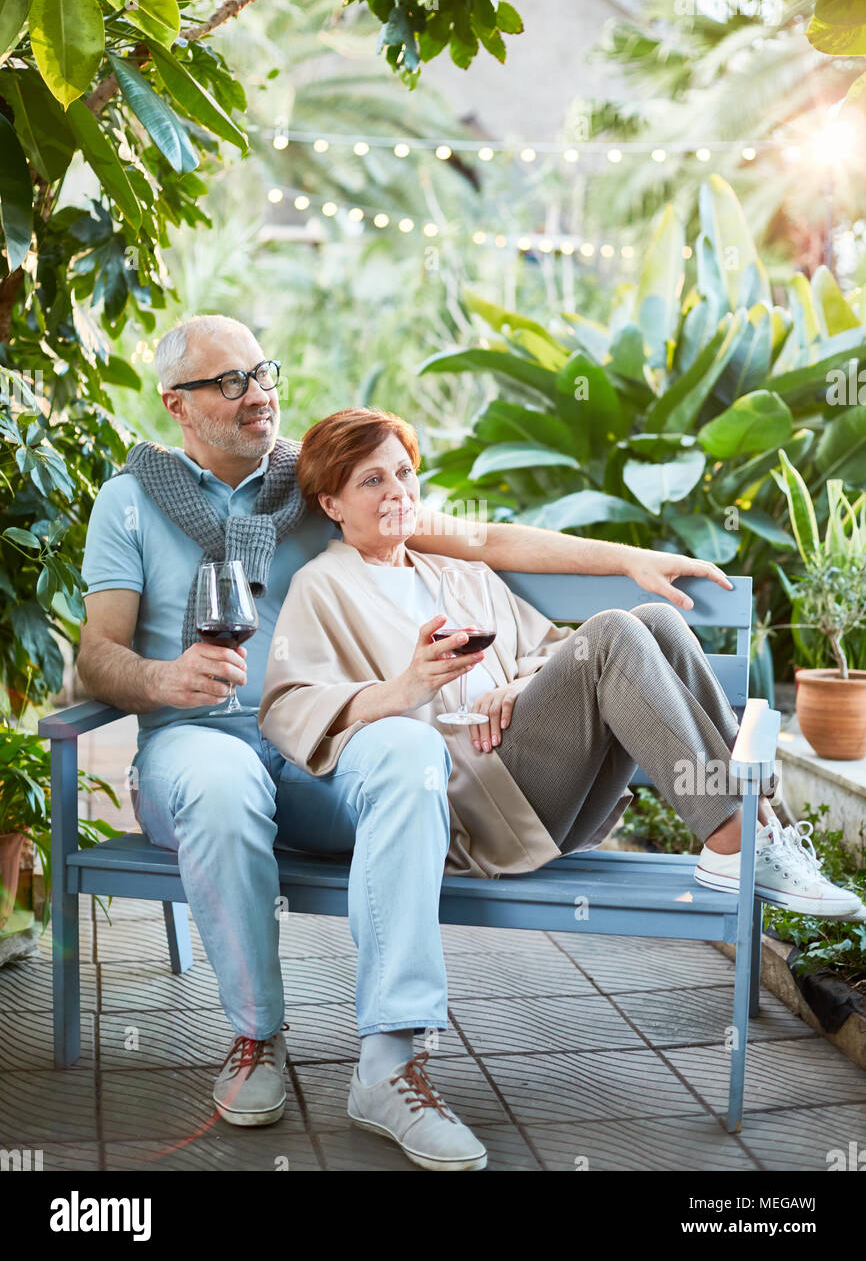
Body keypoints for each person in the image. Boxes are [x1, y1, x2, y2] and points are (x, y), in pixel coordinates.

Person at [76, 313, 759, 1165]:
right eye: (230, 383)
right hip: (200, 736)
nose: (258, 394)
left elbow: (482, 539)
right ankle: (257, 1037)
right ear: (179, 406)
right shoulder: (131, 501)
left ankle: (392, 1061)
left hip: (326, 748)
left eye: (263, 372)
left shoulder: (315, 485)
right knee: (222, 784)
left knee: (408, 750)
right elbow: (96, 656)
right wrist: (161, 680)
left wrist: (625, 557)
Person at [258, 405, 866, 1171]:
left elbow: (548, 651)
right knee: (615, 631)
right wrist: (410, 685)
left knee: (654, 619)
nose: (396, 491)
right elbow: (289, 708)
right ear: (331, 502)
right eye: (371, 479)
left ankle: (754, 825)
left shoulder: (457, 572)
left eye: (405, 472)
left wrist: (513, 688)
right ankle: (735, 839)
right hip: (466, 807)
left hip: (543, 789)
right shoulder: (325, 587)